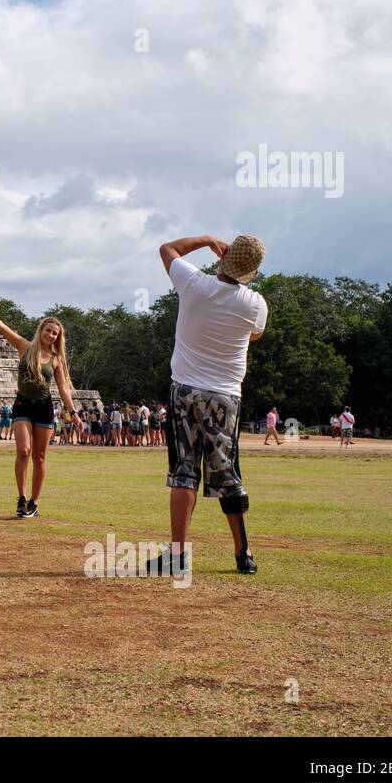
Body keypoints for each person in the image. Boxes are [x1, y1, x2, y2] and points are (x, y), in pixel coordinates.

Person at [147, 233, 268, 577]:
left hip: (184, 390)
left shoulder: (193, 283)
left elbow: (166, 249)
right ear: (252, 270)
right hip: (226, 396)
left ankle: (178, 556)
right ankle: (244, 555)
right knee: (228, 472)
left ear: (223, 258)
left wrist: (206, 239)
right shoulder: (255, 304)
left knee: (183, 472)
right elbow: (254, 334)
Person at [0, 295, 78, 518]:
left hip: (44, 408)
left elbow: (63, 388)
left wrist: (73, 412)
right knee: (23, 451)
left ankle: (34, 502)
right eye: (48, 330)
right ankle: (22, 498)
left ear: (57, 337)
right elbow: (1, 326)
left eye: (55, 333)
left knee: (40, 457)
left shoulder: (55, 359)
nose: (50, 335)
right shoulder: (24, 346)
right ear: (41, 330)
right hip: (22, 405)